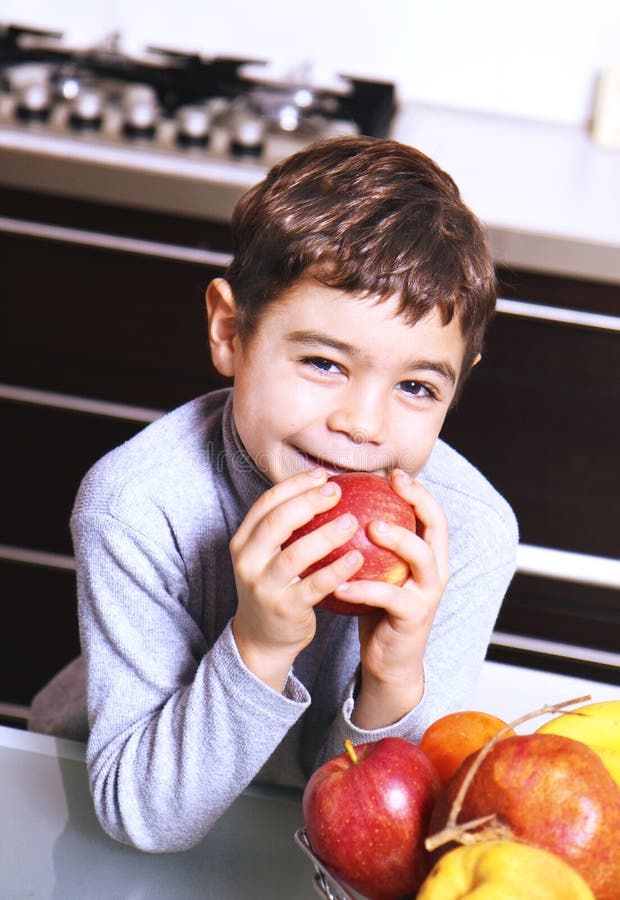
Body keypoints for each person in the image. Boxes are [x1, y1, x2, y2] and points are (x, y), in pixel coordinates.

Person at [29, 136, 518, 852]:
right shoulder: (138, 505)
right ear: (231, 332)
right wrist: (258, 646)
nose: (363, 424)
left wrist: (392, 680)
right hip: (103, 810)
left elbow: (379, 840)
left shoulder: (468, 533)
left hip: (293, 845)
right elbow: (143, 819)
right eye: (324, 363)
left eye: (416, 386)